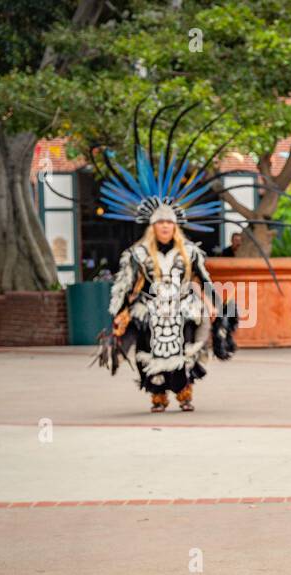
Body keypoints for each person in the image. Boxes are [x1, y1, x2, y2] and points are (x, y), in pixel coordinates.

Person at [93, 109, 241, 412]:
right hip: (150, 307)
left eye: (169, 223)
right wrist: (119, 314)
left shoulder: (191, 252)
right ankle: (157, 395)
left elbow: (205, 280)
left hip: (183, 306)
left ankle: (184, 392)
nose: (164, 227)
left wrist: (215, 307)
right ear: (153, 226)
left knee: (186, 346)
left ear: (175, 226)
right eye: (160, 223)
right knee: (148, 349)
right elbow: (123, 286)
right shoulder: (137, 254)